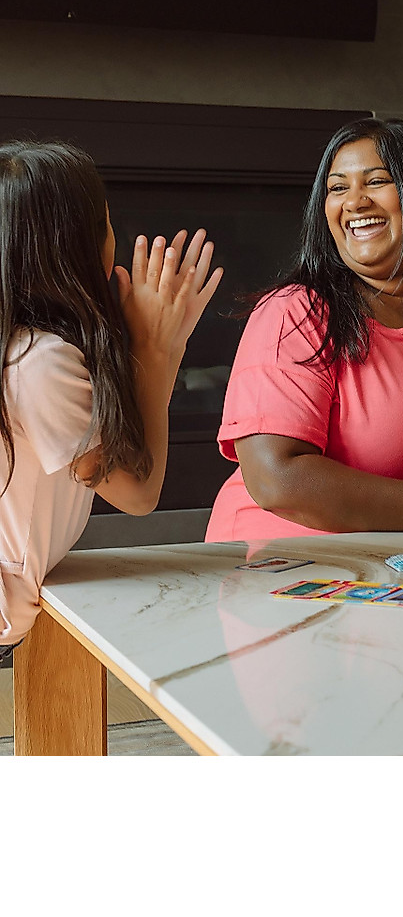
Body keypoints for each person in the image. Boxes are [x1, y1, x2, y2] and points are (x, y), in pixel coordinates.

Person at [205, 118, 403, 545]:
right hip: (290, 567)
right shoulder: (294, 313)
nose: (355, 202)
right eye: (338, 188)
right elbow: (275, 478)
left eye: (376, 181)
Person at [0, 139, 221, 655]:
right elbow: (138, 494)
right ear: (73, 243)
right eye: (105, 223)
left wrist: (155, 347)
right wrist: (155, 348)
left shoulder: (24, 346)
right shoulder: (39, 362)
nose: (114, 239)